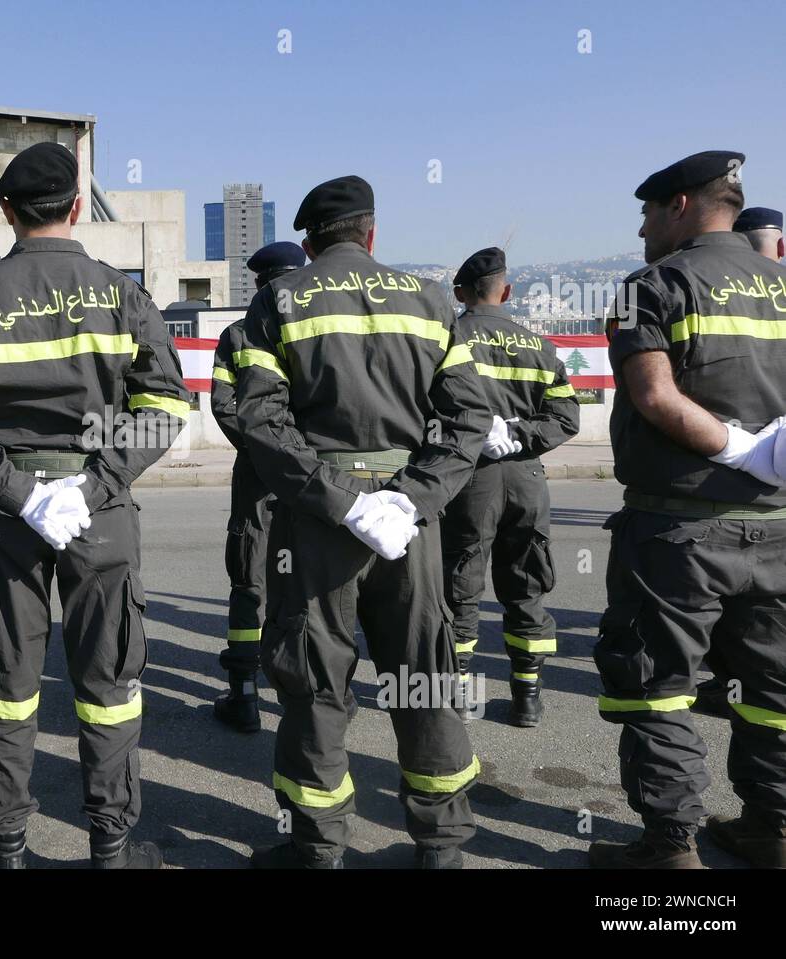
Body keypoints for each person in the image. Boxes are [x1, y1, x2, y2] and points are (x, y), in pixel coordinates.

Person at [0, 141, 189, 869]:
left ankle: (4, 848)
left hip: (10, 519)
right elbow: (165, 405)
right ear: (74, 207)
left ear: (7, 210)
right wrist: (91, 487)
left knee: (7, 683)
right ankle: (112, 848)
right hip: (101, 514)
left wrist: (21, 493)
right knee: (109, 684)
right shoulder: (121, 293)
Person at [234, 175, 490, 869]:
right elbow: (471, 418)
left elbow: (260, 420)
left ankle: (319, 851)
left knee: (316, 682)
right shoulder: (431, 300)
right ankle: (441, 848)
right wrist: (409, 497)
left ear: (310, 242)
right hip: (412, 526)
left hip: (318, 522)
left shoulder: (278, 301)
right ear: (372, 236)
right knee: (425, 676)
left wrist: (344, 500)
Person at [590, 150, 786, 869]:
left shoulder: (653, 284)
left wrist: (734, 447)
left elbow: (655, 397)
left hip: (679, 527)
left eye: (646, 212)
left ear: (678, 206)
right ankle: (774, 827)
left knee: (657, 685)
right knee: (773, 687)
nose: (641, 229)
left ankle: (669, 847)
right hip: (780, 529)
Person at [441, 247, 579, 728]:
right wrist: (518, 436)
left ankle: (453, 696)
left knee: (459, 586)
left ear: (459, 293)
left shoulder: (445, 339)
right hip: (527, 479)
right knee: (526, 588)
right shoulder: (539, 345)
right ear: (508, 291)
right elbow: (566, 418)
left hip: (464, 478)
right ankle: (528, 698)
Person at [693, 204, 786, 721]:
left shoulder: (689, 285)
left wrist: (733, 448)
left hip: (699, 507)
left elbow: (655, 397)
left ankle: (731, 683)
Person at [210, 240, 305, 732]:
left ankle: (244, 695)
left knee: (250, 582)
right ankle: (304, 696)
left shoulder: (239, 332)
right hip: (315, 478)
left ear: (259, 282)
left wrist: (263, 451)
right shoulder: (318, 328)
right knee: (309, 585)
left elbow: (224, 406)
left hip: (258, 474)